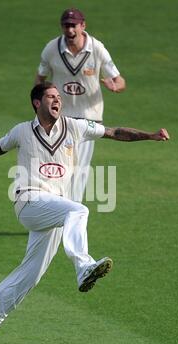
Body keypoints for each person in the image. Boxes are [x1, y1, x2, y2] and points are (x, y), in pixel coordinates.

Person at [0, 82, 169, 344]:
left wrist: (149, 135)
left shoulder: (75, 126)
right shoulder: (21, 131)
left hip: (53, 207)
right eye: (51, 97)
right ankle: (83, 265)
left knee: (30, 276)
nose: (57, 101)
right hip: (28, 200)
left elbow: (113, 132)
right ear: (36, 103)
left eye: (59, 97)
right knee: (79, 211)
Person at [35, 8, 126, 202]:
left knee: (79, 168)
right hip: (60, 117)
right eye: (66, 26)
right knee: (58, 166)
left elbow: (120, 80)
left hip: (89, 117)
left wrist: (115, 87)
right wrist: (40, 104)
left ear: (82, 26)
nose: (69, 30)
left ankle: (72, 213)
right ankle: (58, 210)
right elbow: (40, 78)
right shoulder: (51, 49)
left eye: (73, 25)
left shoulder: (97, 48)